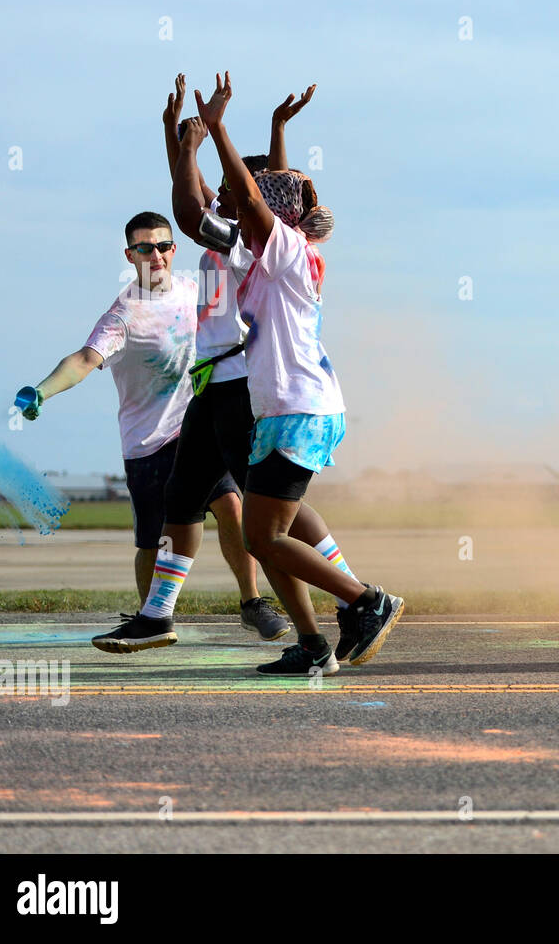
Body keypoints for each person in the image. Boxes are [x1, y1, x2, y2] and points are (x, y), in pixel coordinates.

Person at [191, 72, 404, 676]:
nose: (235, 204)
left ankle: (366, 601)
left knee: (267, 536)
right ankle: (313, 648)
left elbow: (260, 198)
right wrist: (275, 132)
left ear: (275, 215)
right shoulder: (274, 253)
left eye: (250, 200)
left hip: (299, 410)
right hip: (283, 409)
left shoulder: (282, 250)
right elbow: (268, 195)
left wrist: (220, 130)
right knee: (265, 535)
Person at [16, 212, 265, 653]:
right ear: (129, 255)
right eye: (144, 247)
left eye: (163, 246)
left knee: (231, 505)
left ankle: (252, 602)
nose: (155, 255)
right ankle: (152, 616)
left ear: (175, 250)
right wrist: (42, 391)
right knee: (154, 541)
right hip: (147, 443)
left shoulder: (195, 293)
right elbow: (84, 359)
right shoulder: (123, 315)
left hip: (198, 428)